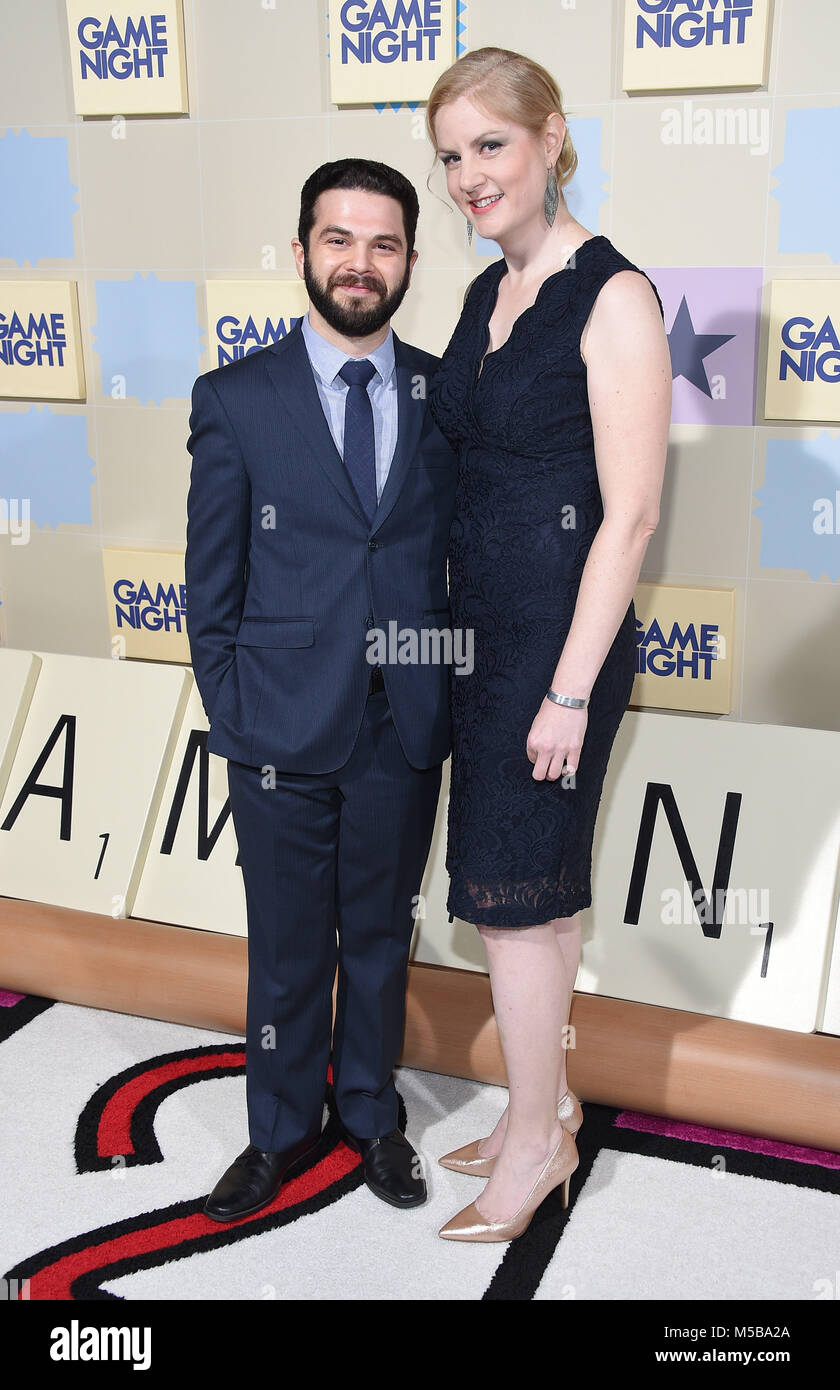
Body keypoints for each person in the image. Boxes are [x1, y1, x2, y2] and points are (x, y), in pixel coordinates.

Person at [424, 48, 672, 1242]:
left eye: (490, 146)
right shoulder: (488, 291)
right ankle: (550, 1098)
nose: (471, 176)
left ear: (550, 138)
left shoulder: (611, 293)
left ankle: (534, 1144)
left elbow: (628, 517)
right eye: (452, 157)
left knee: (519, 904)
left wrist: (570, 689)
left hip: (555, 650)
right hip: (481, 638)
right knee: (516, 897)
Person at [185, 158, 457, 1222]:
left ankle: (371, 1114)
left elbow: (453, 557)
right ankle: (277, 1130)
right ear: (300, 250)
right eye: (338, 239)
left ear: (409, 262)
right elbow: (210, 584)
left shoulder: (444, 394)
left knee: (381, 934)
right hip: (277, 729)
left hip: (404, 720)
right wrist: (235, 711)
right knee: (287, 947)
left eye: (383, 243)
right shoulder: (237, 397)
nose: (360, 263)